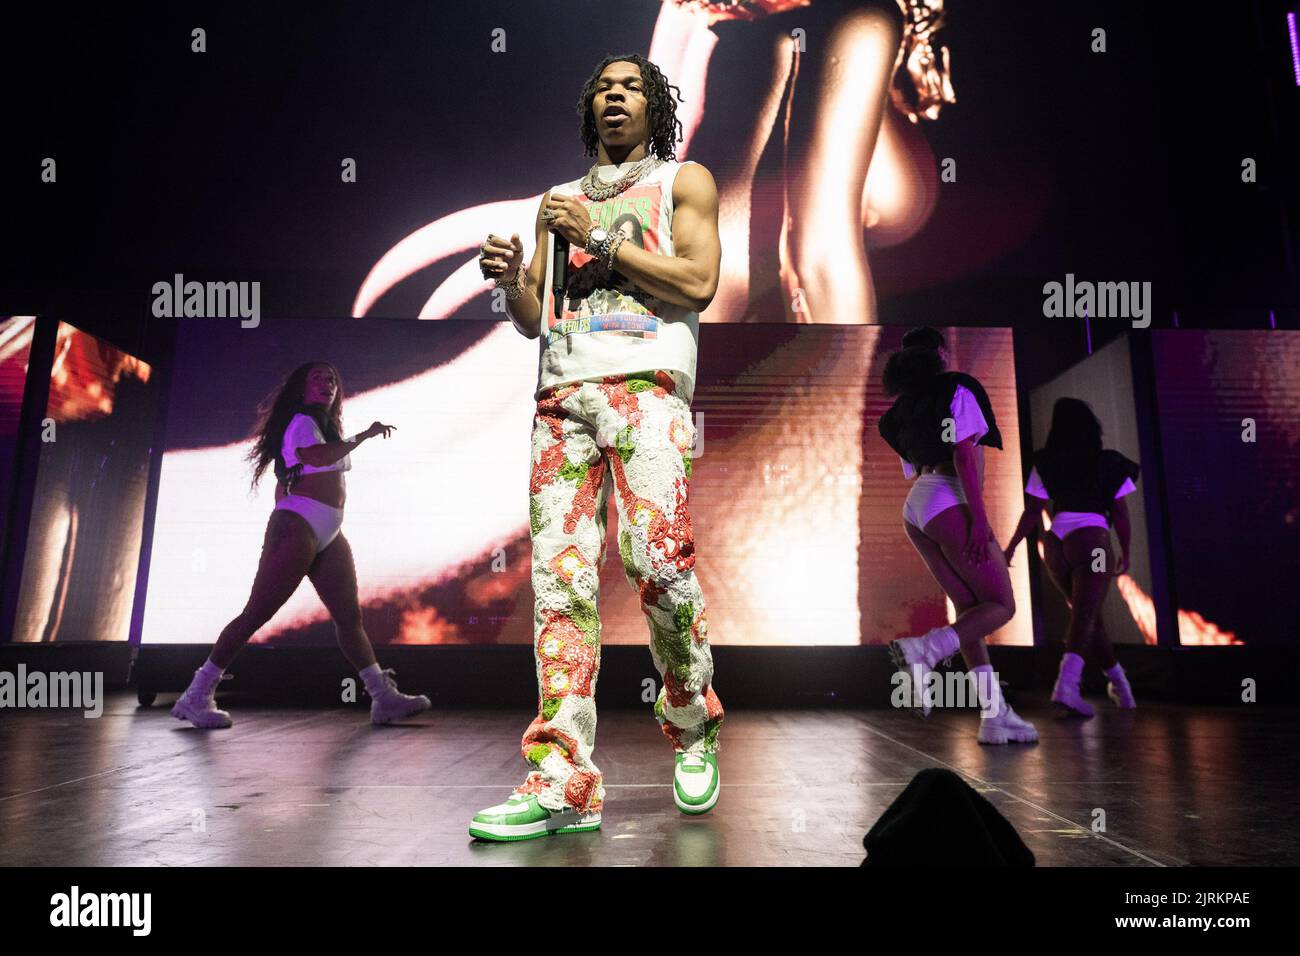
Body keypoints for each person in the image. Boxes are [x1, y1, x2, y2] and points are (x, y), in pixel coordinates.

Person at [471, 52, 724, 840]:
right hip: (562, 399)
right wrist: (512, 278)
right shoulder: (560, 199)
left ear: (654, 106)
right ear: (590, 109)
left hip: (645, 388)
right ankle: (562, 782)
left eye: (632, 87)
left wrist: (603, 243)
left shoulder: (685, 181)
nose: (616, 96)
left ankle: (690, 719)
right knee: (561, 590)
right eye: (604, 88)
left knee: (658, 563)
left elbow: (697, 284)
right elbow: (532, 317)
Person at [170, 362, 431, 729]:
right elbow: (317, 458)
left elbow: (313, 467)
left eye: (332, 379)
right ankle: (196, 695)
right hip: (299, 524)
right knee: (256, 613)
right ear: (303, 389)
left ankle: (382, 697)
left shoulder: (325, 426)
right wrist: (364, 436)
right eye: (318, 378)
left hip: (328, 530)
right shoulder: (301, 423)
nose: (327, 384)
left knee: (349, 619)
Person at [877, 327, 1037, 744]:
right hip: (951, 498)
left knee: (971, 610)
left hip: (918, 508)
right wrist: (980, 517)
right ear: (941, 355)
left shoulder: (897, 413)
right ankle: (924, 651)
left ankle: (995, 714)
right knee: (1001, 605)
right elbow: (963, 454)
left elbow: (919, 466)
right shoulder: (958, 388)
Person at [1004, 398, 1140, 715]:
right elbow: (1120, 514)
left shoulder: (1047, 461)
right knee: (1084, 616)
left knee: (1087, 616)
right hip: (1091, 540)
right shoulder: (1108, 462)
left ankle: (1121, 686)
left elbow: (1033, 513)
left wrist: (1011, 546)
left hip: (1056, 544)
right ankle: (1066, 686)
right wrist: (1127, 552)